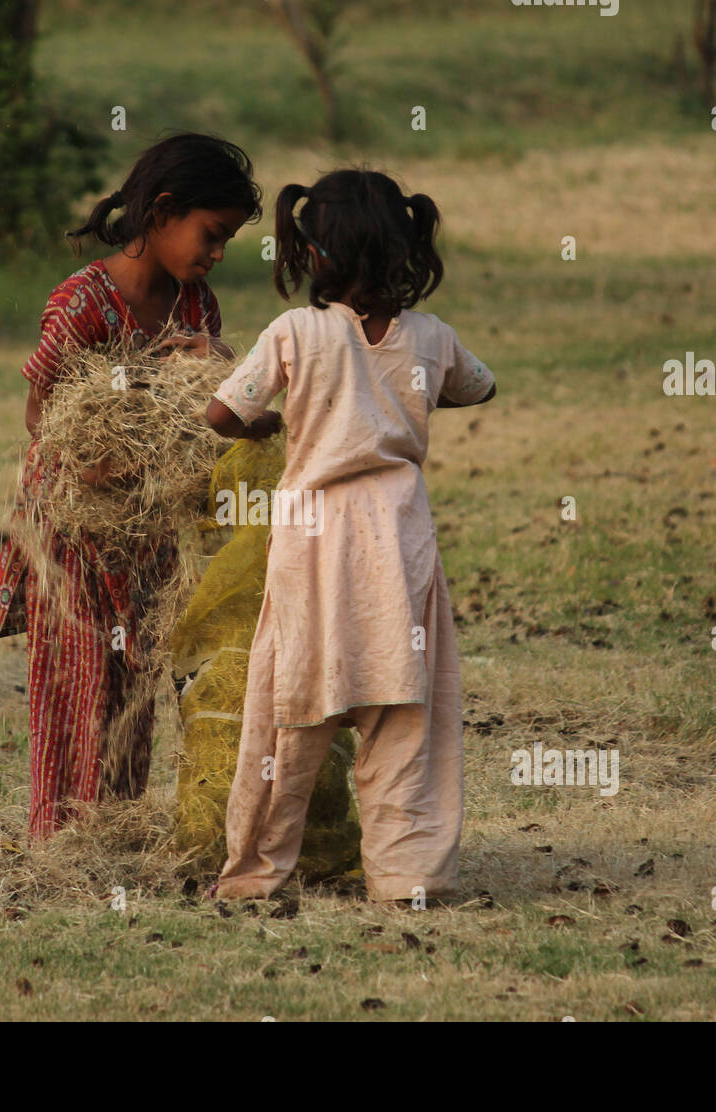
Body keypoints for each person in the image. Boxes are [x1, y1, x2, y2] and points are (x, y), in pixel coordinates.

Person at [205, 169, 496, 902]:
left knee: (289, 713)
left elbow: (221, 416)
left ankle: (254, 875)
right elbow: (480, 387)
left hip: (311, 544)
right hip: (399, 544)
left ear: (315, 256)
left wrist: (277, 418)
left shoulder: (295, 333)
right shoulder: (432, 338)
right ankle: (407, 880)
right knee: (403, 716)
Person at [0, 132, 262, 838]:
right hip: (74, 528)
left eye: (226, 240)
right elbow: (40, 410)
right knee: (76, 683)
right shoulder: (84, 301)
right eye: (212, 233)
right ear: (163, 211)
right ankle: (59, 839)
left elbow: (207, 408)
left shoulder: (197, 310)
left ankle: (115, 831)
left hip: (149, 537)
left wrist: (222, 362)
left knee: (133, 682)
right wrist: (99, 465)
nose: (217, 253)